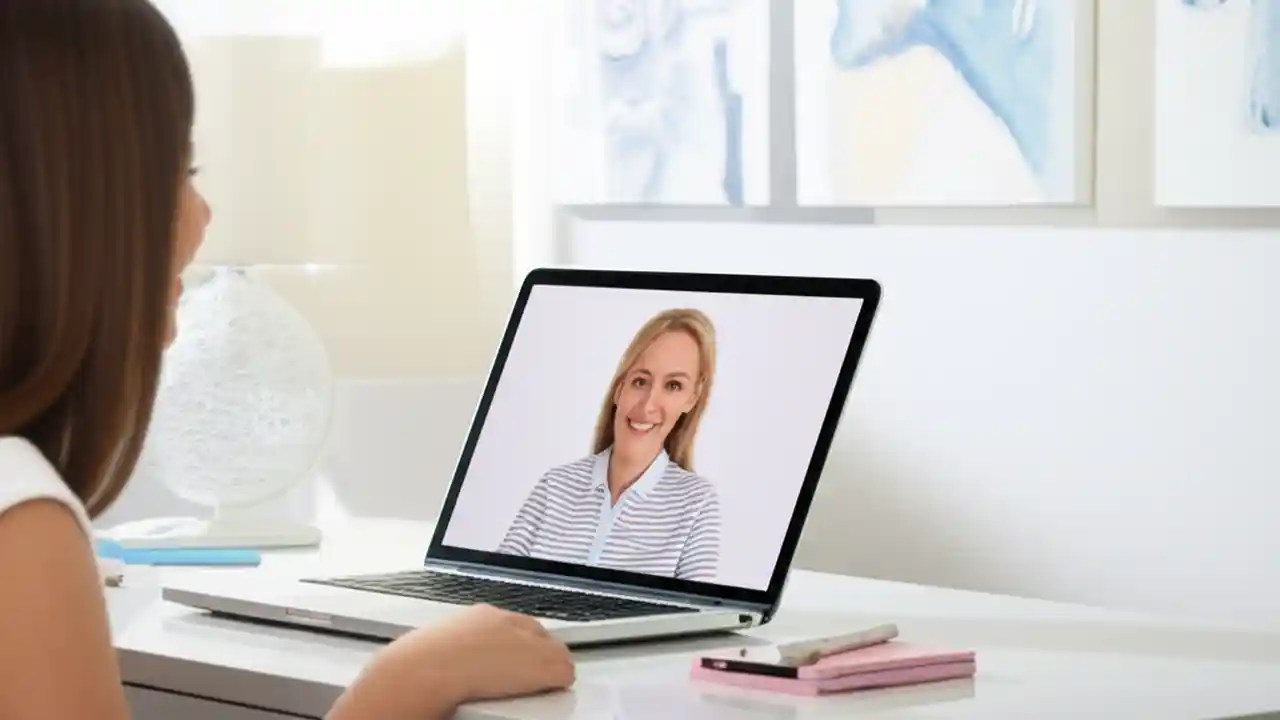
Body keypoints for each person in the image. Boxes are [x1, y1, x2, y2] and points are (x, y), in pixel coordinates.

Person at [0, 2, 573, 718]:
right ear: (78, 206)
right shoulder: (20, 521)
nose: (202, 217)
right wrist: (412, 677)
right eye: (178, 171)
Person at [498, 309, 722, 582]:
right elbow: (493, 592)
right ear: (620, 387)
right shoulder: (554, 486)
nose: (648, 405)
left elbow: (694, 620)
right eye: (640, 381)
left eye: (673, 386)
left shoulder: (696, 503)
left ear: (692, 398)